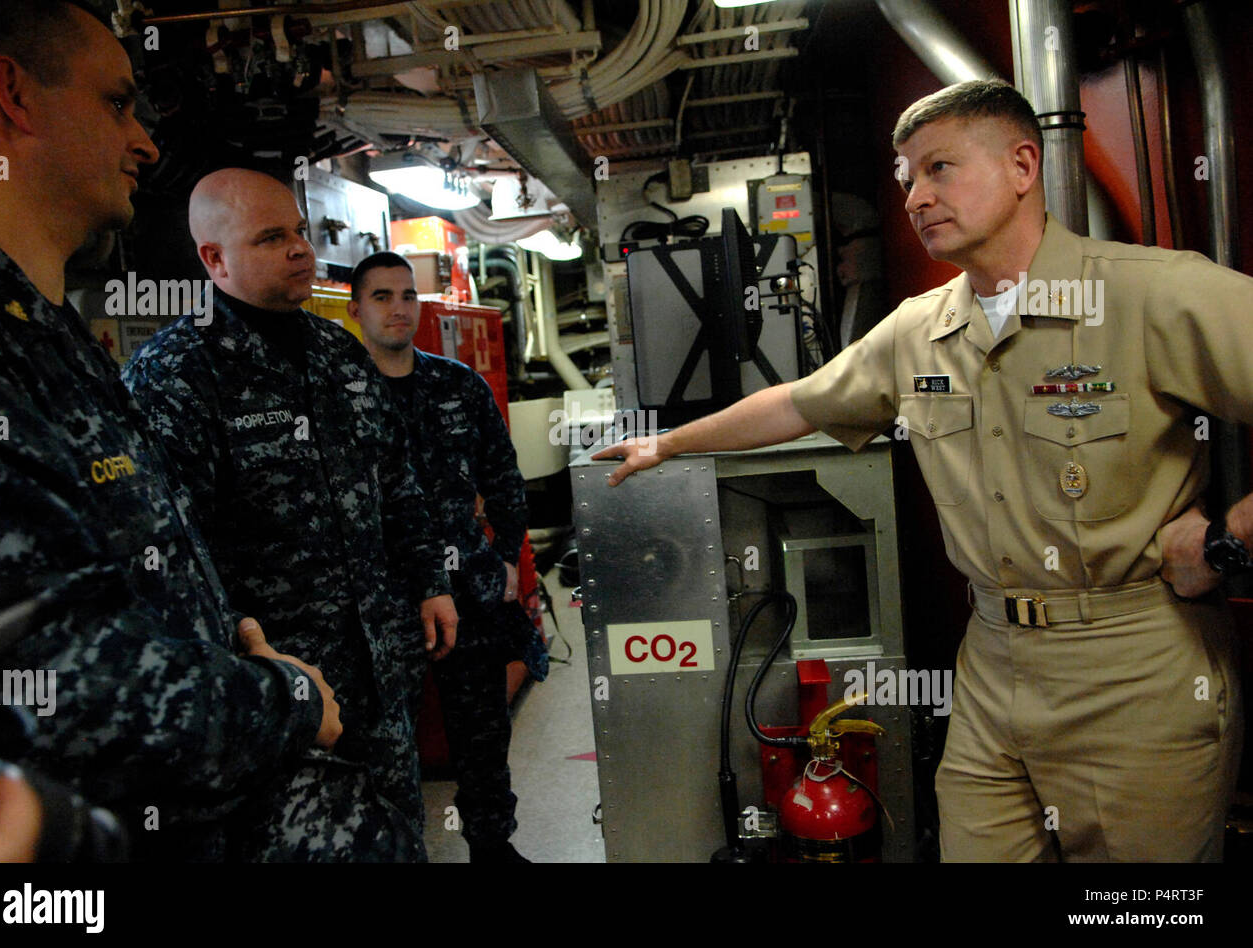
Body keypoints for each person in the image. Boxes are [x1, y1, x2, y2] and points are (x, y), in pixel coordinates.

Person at [597, 78, 1251, 862]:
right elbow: (798, 404)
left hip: (1132, 668)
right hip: (992, 669)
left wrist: (1225, 544)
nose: (914, 196)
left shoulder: (1149, 293)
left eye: (939, 168)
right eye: (906, 176)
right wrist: (668, 444)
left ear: (1021, 165)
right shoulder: (922, 328)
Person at [0, 0, 347, 861]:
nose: (146, 143)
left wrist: (226, 631)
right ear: (14, 95)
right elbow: (49, 687)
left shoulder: (42, 333)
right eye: (116, 103)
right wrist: (281, 698)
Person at [122, 171, 459, 860]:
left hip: (378, 665)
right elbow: (172, 552)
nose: (301, 249)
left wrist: (431, 579)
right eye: (272, 237)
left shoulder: (339, 353)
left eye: (301, 231)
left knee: (398, 835)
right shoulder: (176, 375)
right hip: (280, 687)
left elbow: (395, 478)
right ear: (214, 259)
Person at [348, 251, 547, 863]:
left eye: (407, 295)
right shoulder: (338, 396)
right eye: (381, 296)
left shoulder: (458, 385)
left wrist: (510, 555)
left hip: (470, 590)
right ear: (355, 309)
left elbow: (505, 477)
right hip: (386, 597)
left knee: (482, 735)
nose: (398, 308)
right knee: (388, 745)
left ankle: (492, 846)